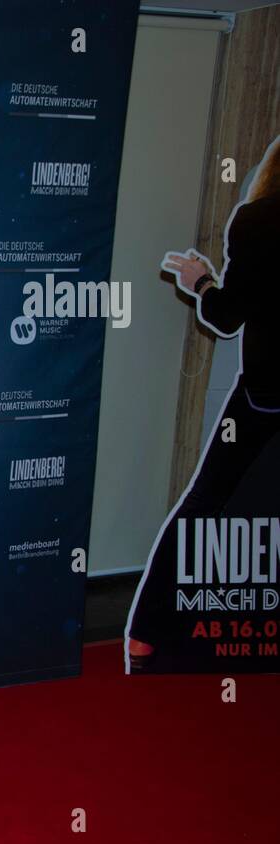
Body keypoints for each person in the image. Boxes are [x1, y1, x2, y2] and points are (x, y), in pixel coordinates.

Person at [126, 135, 280, 672]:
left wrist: (200, 282)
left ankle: (144, 634)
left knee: (204, 503)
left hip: (264, 395)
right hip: (263, 394)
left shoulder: (258, 220)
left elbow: (226, 317)